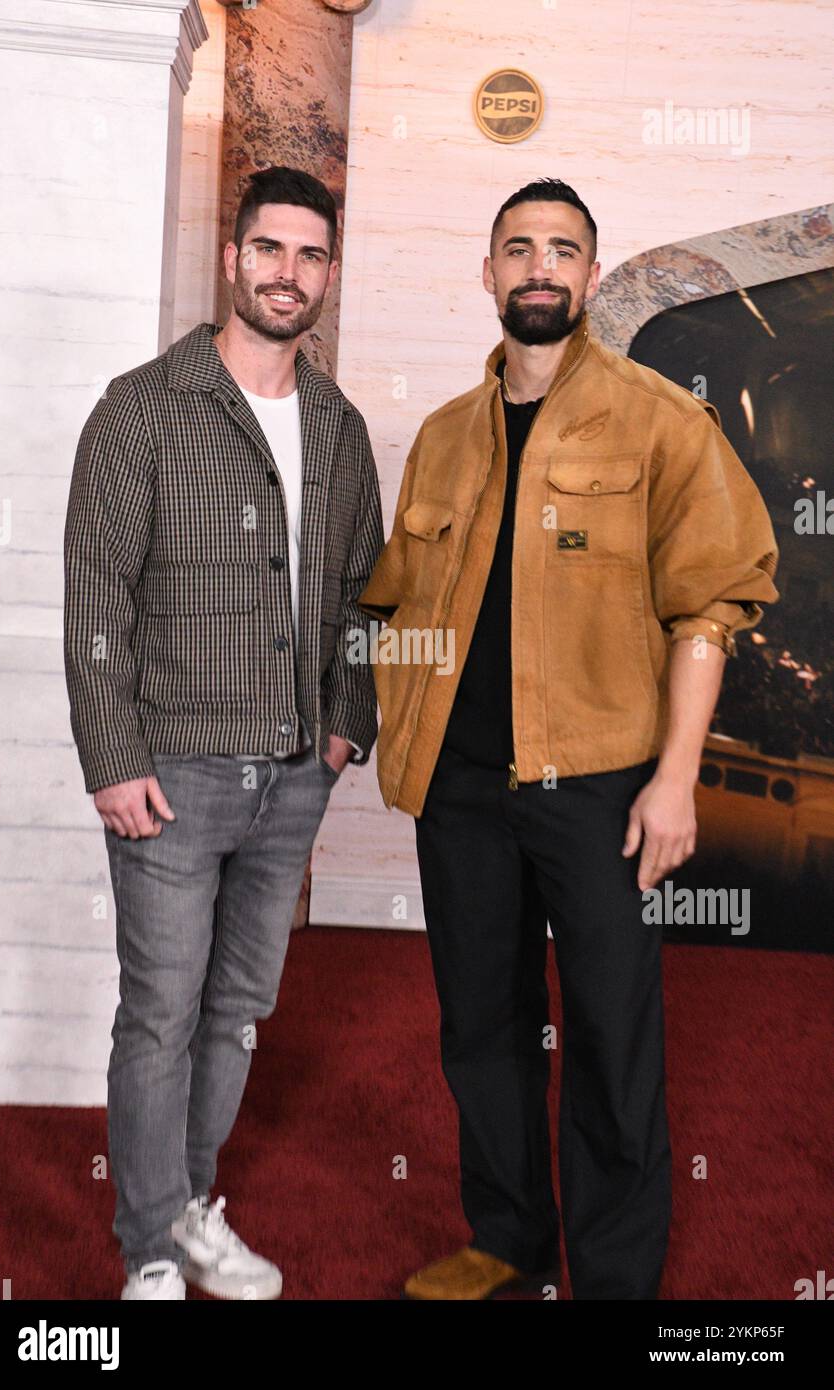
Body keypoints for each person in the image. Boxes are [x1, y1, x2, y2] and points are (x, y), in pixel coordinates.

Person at [357, 178, 779, 1300]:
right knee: (480, 1028)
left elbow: (710, 609)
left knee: (608, 1035)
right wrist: (374, 732)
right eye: (517, 248)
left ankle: (612, 1277)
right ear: (488, 273)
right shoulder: (444, 437)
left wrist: (675, 781)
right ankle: (503, 1239)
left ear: (590, 277)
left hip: (598, 786)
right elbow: (398, 607)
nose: (538, 266)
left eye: (562, 250)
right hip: (459, 788)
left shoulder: (659, 420)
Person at [64, 166, 383, 1300]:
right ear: (233, 258)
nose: (286, 272)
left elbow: (364, 593)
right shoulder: (141, 407)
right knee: (160, 1008)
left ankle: (192, 1203)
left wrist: (343, 730)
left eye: (308, 255)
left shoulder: (340, 427)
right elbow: (97, 592)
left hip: (291, 777)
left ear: (327, 275)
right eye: (268, 249)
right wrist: (112, 756)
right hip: (172, 773)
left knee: (238, 1010)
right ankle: (148, 1249)